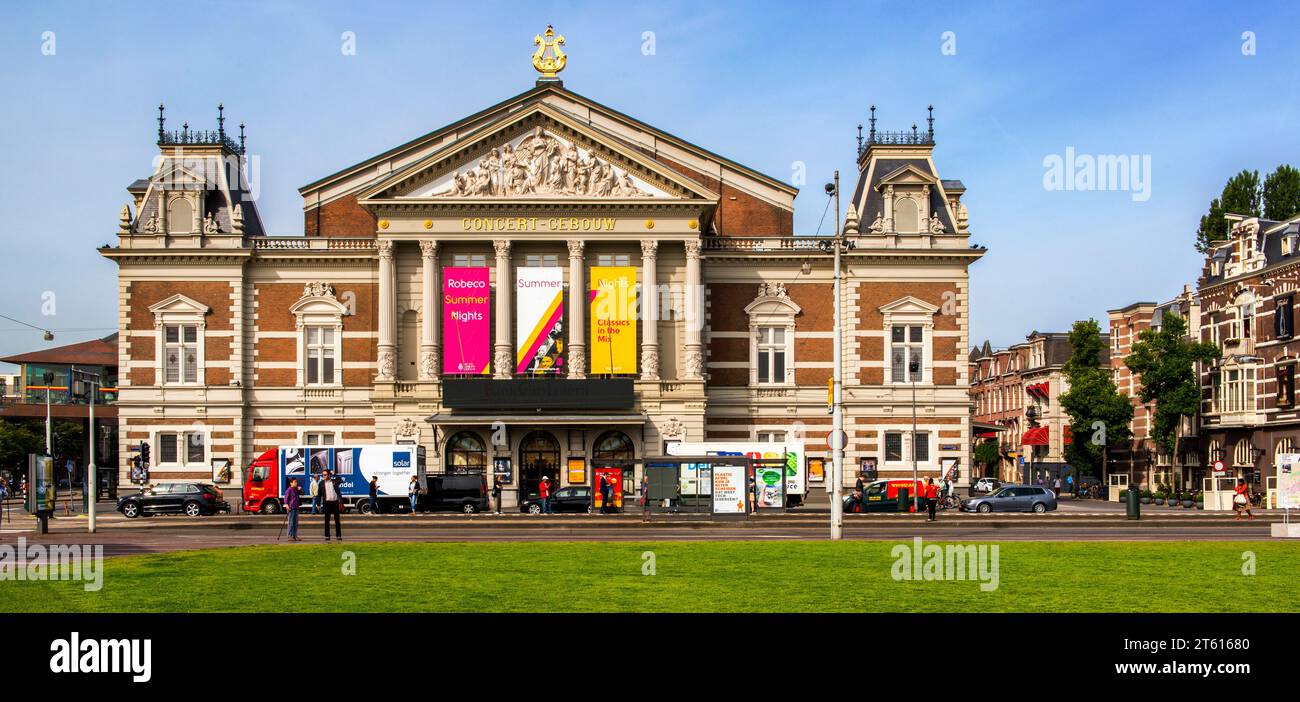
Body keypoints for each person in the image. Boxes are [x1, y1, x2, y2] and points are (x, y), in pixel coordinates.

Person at [320, 469, 343, 541]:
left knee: (337, 520)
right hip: (327, 503)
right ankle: (327, 535)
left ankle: (338, 535)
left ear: (329, 475)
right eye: (323, 475)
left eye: (325, 474)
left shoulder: (334, 481)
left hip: (335, 502)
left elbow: (341, 480)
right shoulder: (321, 483)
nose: (324, 476)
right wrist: (318, 504)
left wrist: (334, 474)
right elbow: (319, 494)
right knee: (327, 520)